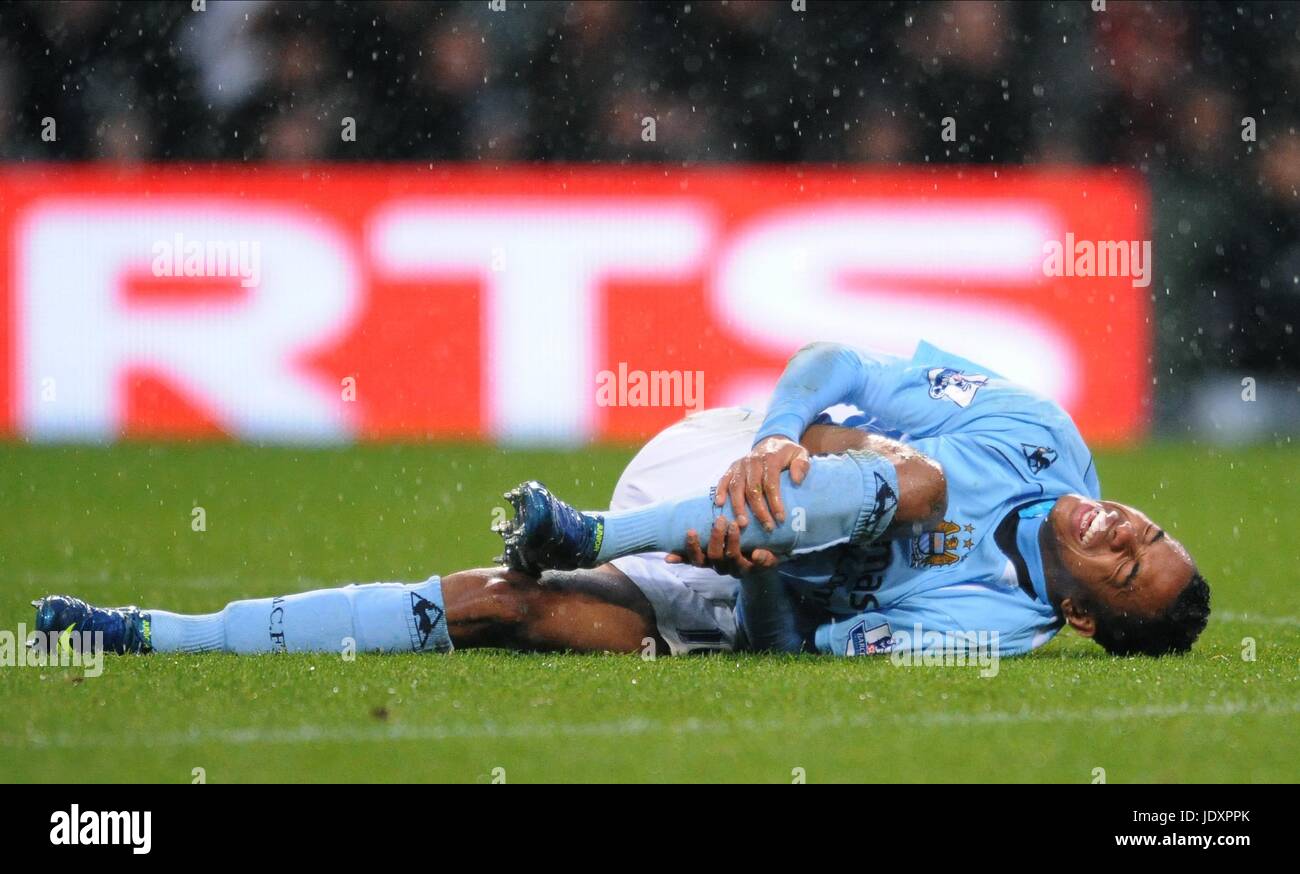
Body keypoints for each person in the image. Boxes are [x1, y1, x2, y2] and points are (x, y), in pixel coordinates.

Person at [31, 341, 1209, 660]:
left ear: (1084, 621)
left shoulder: (986, 631)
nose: (1116, 529)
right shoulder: (1040, 437)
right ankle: (587, 530)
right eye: (1144, 527)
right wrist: (775, 434)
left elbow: (808, 651)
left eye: (1121, 565)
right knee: (915, 478)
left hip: (729, 578)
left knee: (507, 608)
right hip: (716, 466)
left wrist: (760, 589)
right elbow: (838, 360)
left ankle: (149, 632)